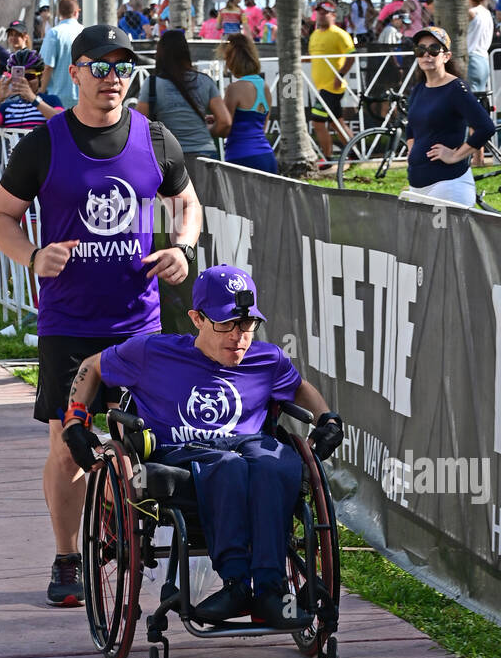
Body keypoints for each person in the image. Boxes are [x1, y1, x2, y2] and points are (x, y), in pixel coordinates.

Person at [0, 24, 202, 606]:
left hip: (138, 323)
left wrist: (182, 245)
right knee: (67, 444)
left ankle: (118, 525)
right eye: (99, 66)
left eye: (122, 67)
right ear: (74, 72)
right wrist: (32, 254)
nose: (112, 78)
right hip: (69, 323)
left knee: (138, 442)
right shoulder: (45, 143)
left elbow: (189, 203)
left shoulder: (154, 139)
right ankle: (66, 558)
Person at [61, 266, 344, 628]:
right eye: (226, 324)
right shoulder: (151, 353)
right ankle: (238, 585)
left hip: (250, 448)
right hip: (183, 453)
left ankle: (270, 591)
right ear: (197, 318)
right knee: (228, 465)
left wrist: (327, 420)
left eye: (246, 325)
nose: (239, 337)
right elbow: (92, 366)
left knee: (278, 462)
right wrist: (75, 420)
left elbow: (301, 388)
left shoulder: (267, 360)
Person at [405, 26, 496, 207]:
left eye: (433, 49)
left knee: (446, 237)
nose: (426, 55)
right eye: (421, 50)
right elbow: (411, 127)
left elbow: (486, 127)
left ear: (446, 56)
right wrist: (412, 151)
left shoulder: (456, 88)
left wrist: (455, 156)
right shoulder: (419, 89)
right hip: (418, 188)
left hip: (448, 186)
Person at [135, 29, 230, 180]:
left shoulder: (152, 84)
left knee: (176, 204)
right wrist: (204, 131)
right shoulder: (205, 81)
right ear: (186, 53)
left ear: (160, 54)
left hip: (169, 158)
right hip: (206, 156)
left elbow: (138, 124)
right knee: (207, 204)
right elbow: (225, 122)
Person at [220, 33, 278, 174]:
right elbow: (261, 126)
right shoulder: (264, 87)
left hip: (240, 157)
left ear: (231, 60)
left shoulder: (234, 88)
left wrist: (205, 127)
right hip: (267, 156)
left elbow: (224, 127)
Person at [305, 1, 355, 165]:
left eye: (324, 12)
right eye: (318, 12)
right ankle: (355, 152)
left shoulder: (339, 34)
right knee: (336, 123)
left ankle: (327, 158)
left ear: (333, 15)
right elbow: (314, 57)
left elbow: (351, 55)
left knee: (317, 122)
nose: (320, 15)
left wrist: (339, 75)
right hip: (321, 87)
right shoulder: (315, 34)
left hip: (332, 88)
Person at [0, 48, 63, 129]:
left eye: (29, 76)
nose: (24, 81)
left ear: (39, 78)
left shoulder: (51, 100)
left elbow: (62, 122)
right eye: (18, 77)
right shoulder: (7, 107)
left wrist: (33, 99)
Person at [40, 0, 83, 107]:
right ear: (76, 12)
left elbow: (48, 66)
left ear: (59, 12)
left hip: (57, 97)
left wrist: (41, 92)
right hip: (83, 95)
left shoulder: (54, 33)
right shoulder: (85, 32)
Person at [465, 0, 494, 95]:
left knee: (472, 99)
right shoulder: (486, 13)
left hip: (472, 60)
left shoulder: (471, 13)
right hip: (483, 60)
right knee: (481, 97)